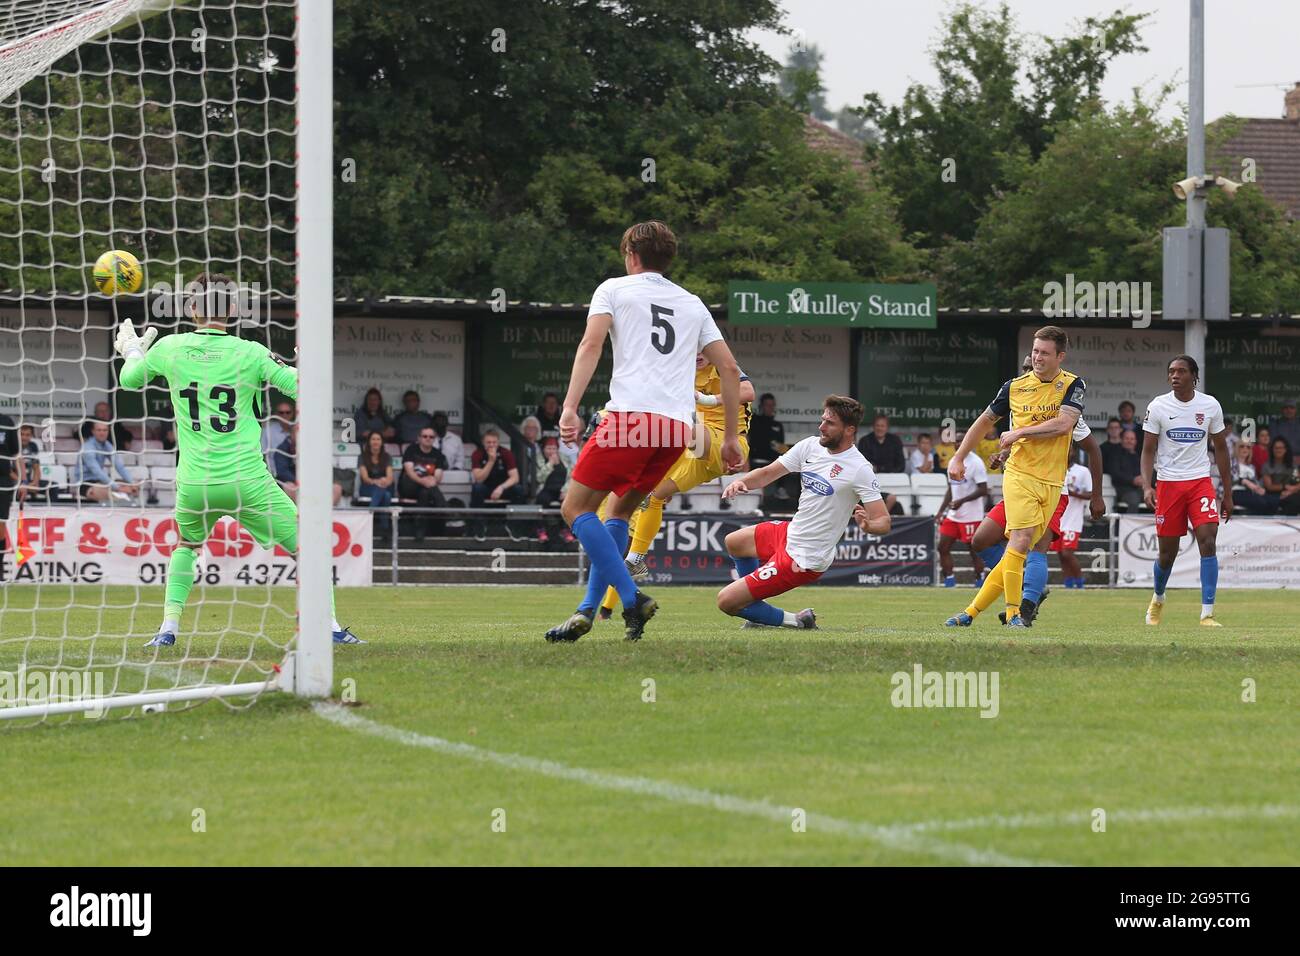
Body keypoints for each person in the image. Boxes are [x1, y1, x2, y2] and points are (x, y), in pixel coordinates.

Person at [115, 271, 361, 646]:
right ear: (232, 309)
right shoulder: (251, 352)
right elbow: (307, 391)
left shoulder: (170, 348)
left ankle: (168, 630)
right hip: (246, 480)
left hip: (196, 482)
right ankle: (328, 628)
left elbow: (130, 380)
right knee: (308, 546)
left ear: (190, 307)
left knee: (186, 545)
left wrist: (134, 351)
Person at [543, 219, 743, 643]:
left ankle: (633, 597)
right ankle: (585, 611)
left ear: (631, 255)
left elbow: (591, 345)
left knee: (574, 509)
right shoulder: (692, 302)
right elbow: (728, 368)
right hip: (674, 429)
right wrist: (727, 438)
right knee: (617, 513)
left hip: (629, 420)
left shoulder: (613, 289)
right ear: (667, 259)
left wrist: (570, 407)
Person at [943, 326, 1085, 628]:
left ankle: (970, 613)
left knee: (1015, 553)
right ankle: (1013, 613)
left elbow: (1063, 425)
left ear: (1060, 356)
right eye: (1035, 351)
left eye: (1044, 353)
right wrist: (959, 456)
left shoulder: (1073, 385)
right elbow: (984, 421)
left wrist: (1019, 432)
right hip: (1019, 475)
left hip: (1052, 483)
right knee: (1020, 541)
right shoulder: (1014, 387)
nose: (1037, 357)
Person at [595, 353, 754, 617]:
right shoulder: (680, 368)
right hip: (694, 448)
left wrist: (705, 399)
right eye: (694, 349)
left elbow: (748, 391)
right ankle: (635, 562)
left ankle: (605, 605)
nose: (699, 354)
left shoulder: (724, 366)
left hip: (727, 442)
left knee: (674, 424)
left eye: (703, 348)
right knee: (654, 496)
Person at [718, 396, 890, 629]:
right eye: (822, 420)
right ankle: (755, 609)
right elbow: (768, 473)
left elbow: (883, 520)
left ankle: (798, 621)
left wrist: (870, 526)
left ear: (849, 430)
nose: (821, 427)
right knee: (734, 542)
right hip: (791, 533)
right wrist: (742, 482)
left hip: (805, 557)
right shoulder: (810, 446)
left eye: (830, 423)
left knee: (726, 601)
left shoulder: (859, 468)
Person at [966, 354, 1105, 627]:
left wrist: (1097, 495)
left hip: (1052, 488)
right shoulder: (1019, 405)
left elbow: (1093, 449)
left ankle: (1026, 605)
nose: (1031, 372)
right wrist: (1002, 456)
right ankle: (1024, 584)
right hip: (1019, 484)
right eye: (1027, 368)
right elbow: (1022, 445)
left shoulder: (1064, 411)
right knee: (981, 540)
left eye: (1035, 367)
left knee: (1037, 549)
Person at [1140, 355, 1233, 627]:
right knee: (1167, 554)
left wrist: (1227, 492)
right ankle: (1158, 598)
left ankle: (1207, 613)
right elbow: (1147, 451)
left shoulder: (1210, 405)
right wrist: (1147, 485)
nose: (1175, 376)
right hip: (1168, 484)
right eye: (1171, 371)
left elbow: (1221, 449)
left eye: (1181, 371)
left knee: (1208, 540)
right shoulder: (1158, 406)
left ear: (1194, 375)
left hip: (1199, 482)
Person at [936, 447, 988, 587]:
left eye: (962, 440)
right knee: (942, 547)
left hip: (972, 515)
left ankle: (979, 581)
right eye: (957, 441)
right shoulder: (953, 460)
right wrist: (941, 511)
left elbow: (983, 490)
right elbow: (951, 488)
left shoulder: (976, 462)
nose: (959, 444)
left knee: (974, 551)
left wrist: (962, 501)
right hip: (954, 515)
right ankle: (949, 581)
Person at [273, 425, 343, 506]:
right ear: (291, 435)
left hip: (312, 483)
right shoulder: (282, 450)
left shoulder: (313, 448)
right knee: (290, 486)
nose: (301, 435)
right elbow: (282, 473)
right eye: (298, 433)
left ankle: (322, 514)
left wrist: (313, 482)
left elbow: (321, 469)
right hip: (293, 483)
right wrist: (300, 482)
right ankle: (300, 514)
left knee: (336, 488)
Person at [399, 426, 448, 540]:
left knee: (425, 493)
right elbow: (409, 471)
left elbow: (438, 476)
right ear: (419, 438)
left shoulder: (438, 454)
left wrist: (432, 481)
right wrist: (423, 481)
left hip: (425, 488)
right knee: (426, 489)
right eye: (425, 436)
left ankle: (419, 530)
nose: (428, 439)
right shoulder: (411, 449)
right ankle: (443, 507)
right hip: (408, 485)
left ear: (434, 439)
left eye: (431, 437)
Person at [1052, 451, 1093, 588]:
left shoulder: (1082, 471)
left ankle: (1080, 582)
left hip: (1073, 519)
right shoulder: (1054, 468)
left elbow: (1090, 493)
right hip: (1058, 518)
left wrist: (1074, 493)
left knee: (1067, 553)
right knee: (1060, 555)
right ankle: (1068, 584)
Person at [76, 420, 140, 504]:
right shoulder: (87, 448)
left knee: (134, 487)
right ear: (93, 431)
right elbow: (97, 471)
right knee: (112, 495)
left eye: (104, 430)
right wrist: (117, 487)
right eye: (99, 430)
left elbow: (120, 467)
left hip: (101, 482)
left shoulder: (107, 445)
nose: (102, 433)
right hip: (85, 483)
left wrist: (132, 483)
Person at [534, 437, 575, 544]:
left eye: (554, 449)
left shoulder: (565, 458)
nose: (551, 451)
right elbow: (539, 478)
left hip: (561, 490)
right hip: (546, 489)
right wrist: (550, 464)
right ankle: (541, 530)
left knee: (568, 502)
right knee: (541, 500)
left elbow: (572, 476)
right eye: (549, 449)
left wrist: (565, 490)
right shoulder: (539, 459)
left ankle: (566, 530)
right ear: (543, 449)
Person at [357, 430, 395, 534]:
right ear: (369, 442)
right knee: (385, 495)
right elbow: (365, 478)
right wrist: (377, 481)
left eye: (378, 439)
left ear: (382, 442)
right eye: (373, 439)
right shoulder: (362, 457)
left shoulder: (387, 457)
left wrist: (384, 482)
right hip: (368, 487)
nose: (375, 441)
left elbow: (390, 478)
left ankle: (369, 516)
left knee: (385, 493)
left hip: (384, 486)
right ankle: (385, 529)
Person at [1106, 428, 1145, 512]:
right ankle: (1130, 525)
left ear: (1135, 441)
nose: (1129, 441)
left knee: (1156, 497)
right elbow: (1115, 473)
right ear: (1122, 440)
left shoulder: (1139, 456)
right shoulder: (1115, 455)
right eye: (1127, 438)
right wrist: (1133, 480)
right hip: (1123, 490)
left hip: (1141, 489)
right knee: (1134, 499)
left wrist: (1143, 479)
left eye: (1132, 439)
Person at [1230, 440, 1274, 515]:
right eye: (1242, 446)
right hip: (1236, 492)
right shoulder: (1232, 463)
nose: (1245, 449)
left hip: (1250, 493)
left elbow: (1255, 482)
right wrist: (1246, 482)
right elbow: (1232, 479)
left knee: (1272, 501)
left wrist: (1259, 488)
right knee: (1261, 503)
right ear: (1237, 448)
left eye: (1248, 447)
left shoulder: (1251, 466)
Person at [1260, 437, 1300, 516]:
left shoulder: (1293, 466)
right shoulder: (1267, 466)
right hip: (1273, 495)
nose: (1279, 450)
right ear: (1272, 450)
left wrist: (1291, 490)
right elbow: (1269, 486)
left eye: (1281, 448)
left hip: (1291, 493)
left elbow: (1298, 482)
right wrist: (1285, 487)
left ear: (1286, 450)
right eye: (1276, 448)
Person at [0, 412, 21, 558]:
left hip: (2, 481)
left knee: (0, 524)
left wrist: (22, 481)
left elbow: (15, 451)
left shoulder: (6, 421)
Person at [515, 416, 544, 499]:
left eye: (534, 428)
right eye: (528, 427)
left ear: (538, 430)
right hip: (523, 483)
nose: (531, 430)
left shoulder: (542, 447)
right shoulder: (518, 448)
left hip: (539, 482)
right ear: (523, 430)